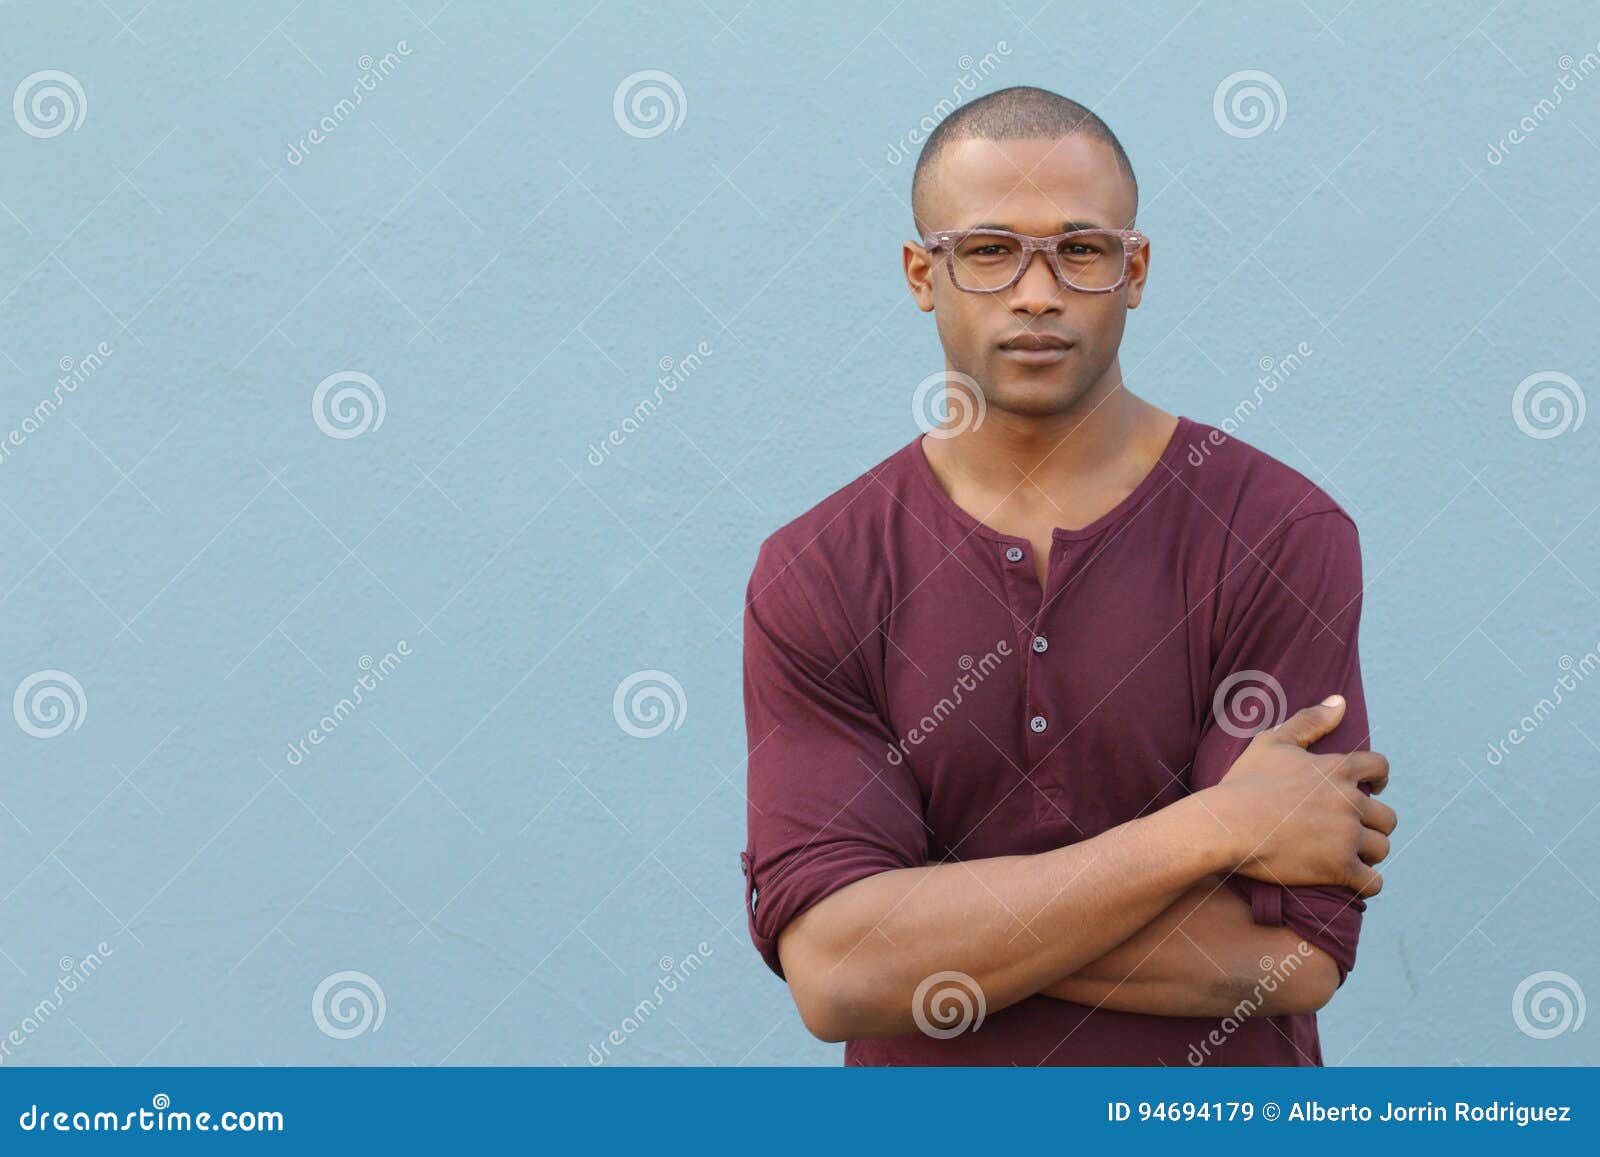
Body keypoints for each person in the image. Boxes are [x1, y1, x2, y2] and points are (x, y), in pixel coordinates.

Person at [739, 86, 1395, 1065]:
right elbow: (835, 977)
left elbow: (1292, 957)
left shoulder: (1274, 531)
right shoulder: (820, 567)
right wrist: (1213, 830)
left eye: (1079, 251)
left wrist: (926, 917)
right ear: (924, 273)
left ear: (1134, 271)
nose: (1036, 292)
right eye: (989, 250)